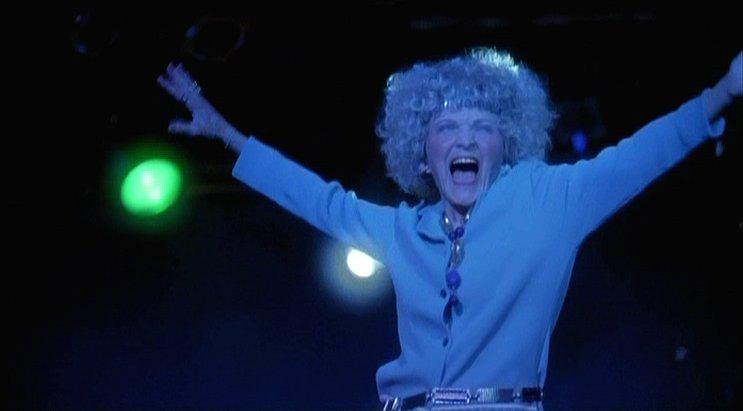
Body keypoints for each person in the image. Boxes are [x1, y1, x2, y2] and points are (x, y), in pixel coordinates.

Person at [157, 48, 741, 410]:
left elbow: (637, 157)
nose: (464, 138)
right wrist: (227, 135)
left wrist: (723, 91)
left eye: (481, 126)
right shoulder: (403, 231)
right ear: (423, 153)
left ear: (505, 145)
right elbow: (322, 202)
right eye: (446, 127)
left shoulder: (548, 202)